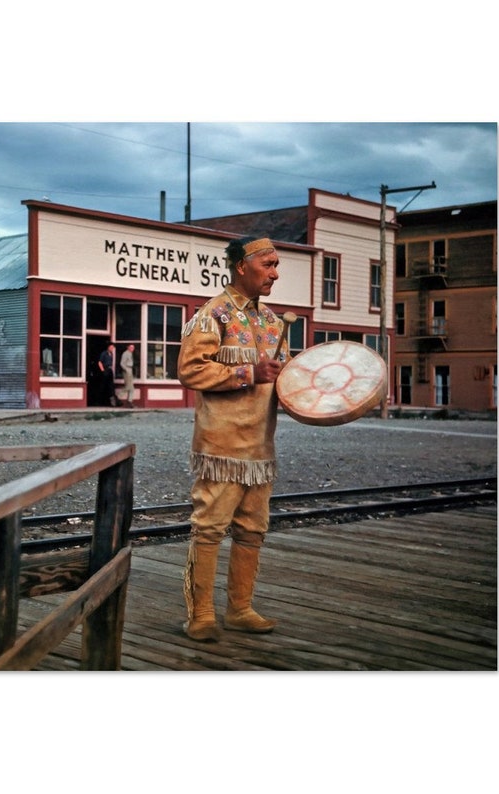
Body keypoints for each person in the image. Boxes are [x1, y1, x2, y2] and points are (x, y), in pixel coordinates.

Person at [177, 237, 289, 642]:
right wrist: (248, 374)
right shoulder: (212, 315)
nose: (275, 273)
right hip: (221, 448)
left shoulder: (275, 324)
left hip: (260, 449)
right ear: (241, 266)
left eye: (277, 265)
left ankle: (240, 608)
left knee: (252, 530)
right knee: (208, 529)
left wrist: (316, 398)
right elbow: (190, 371)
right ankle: (200, 615)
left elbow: (285, 382)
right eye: (268, 264)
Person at [98, 342, 117, 407]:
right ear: (108, 347)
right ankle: (100, 401)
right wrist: (103, 370)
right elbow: (100, 362)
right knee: (103, 385)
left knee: (111, 385)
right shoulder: (104, 353)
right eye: (111, 347)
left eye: (113, 348)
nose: (112, 349)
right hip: (105, 369)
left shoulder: (111, 354)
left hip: (110, 369)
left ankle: (112, 401)